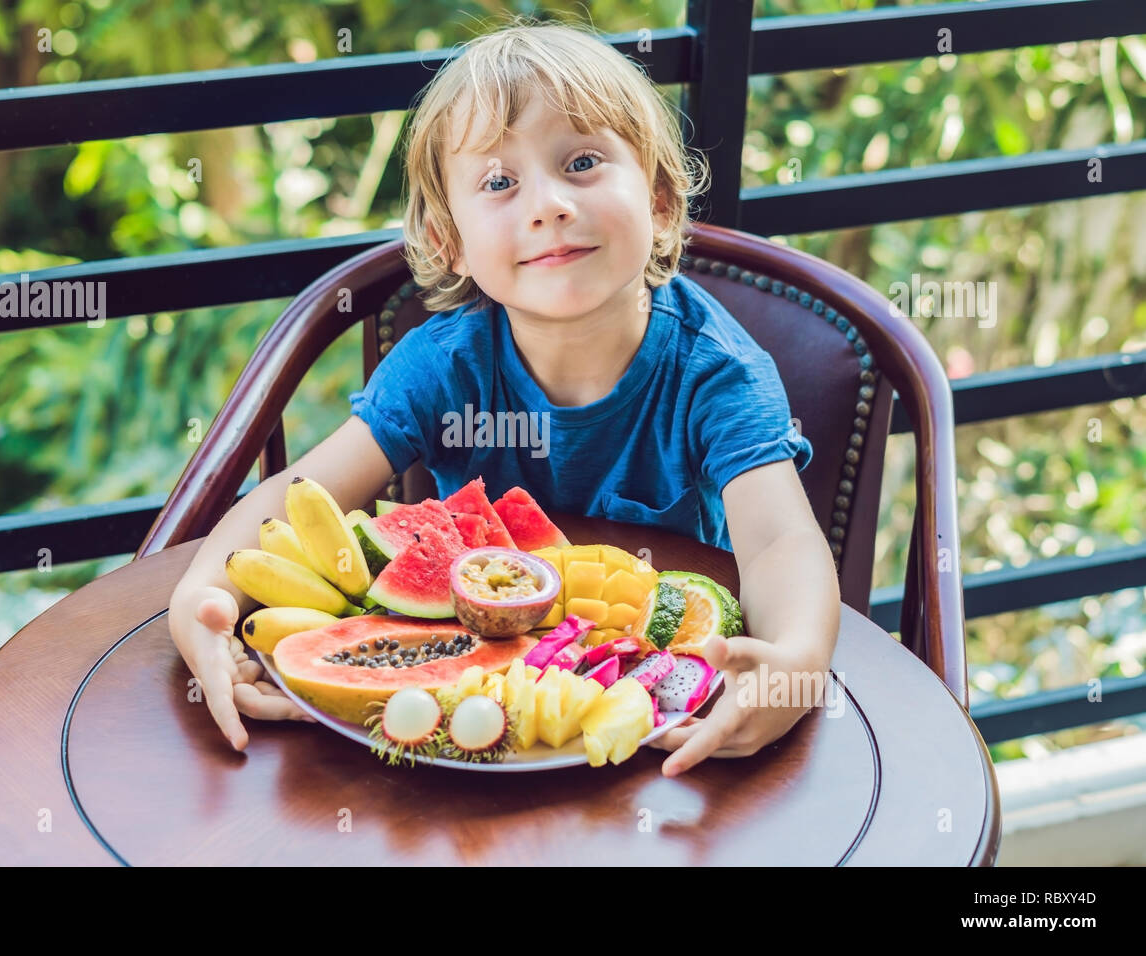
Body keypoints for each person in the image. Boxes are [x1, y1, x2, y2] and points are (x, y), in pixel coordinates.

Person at [169, 18, 841, 776]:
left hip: (661, 718)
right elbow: (300, 502)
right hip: (470, 707)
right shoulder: (441, 365)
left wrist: (790, 668)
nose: (548, 204)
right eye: (498, 182)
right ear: (451, 240)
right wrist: (200, 601)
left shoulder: (716, 372)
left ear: (657, 199)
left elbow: (781, 542)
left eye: (582, 162)